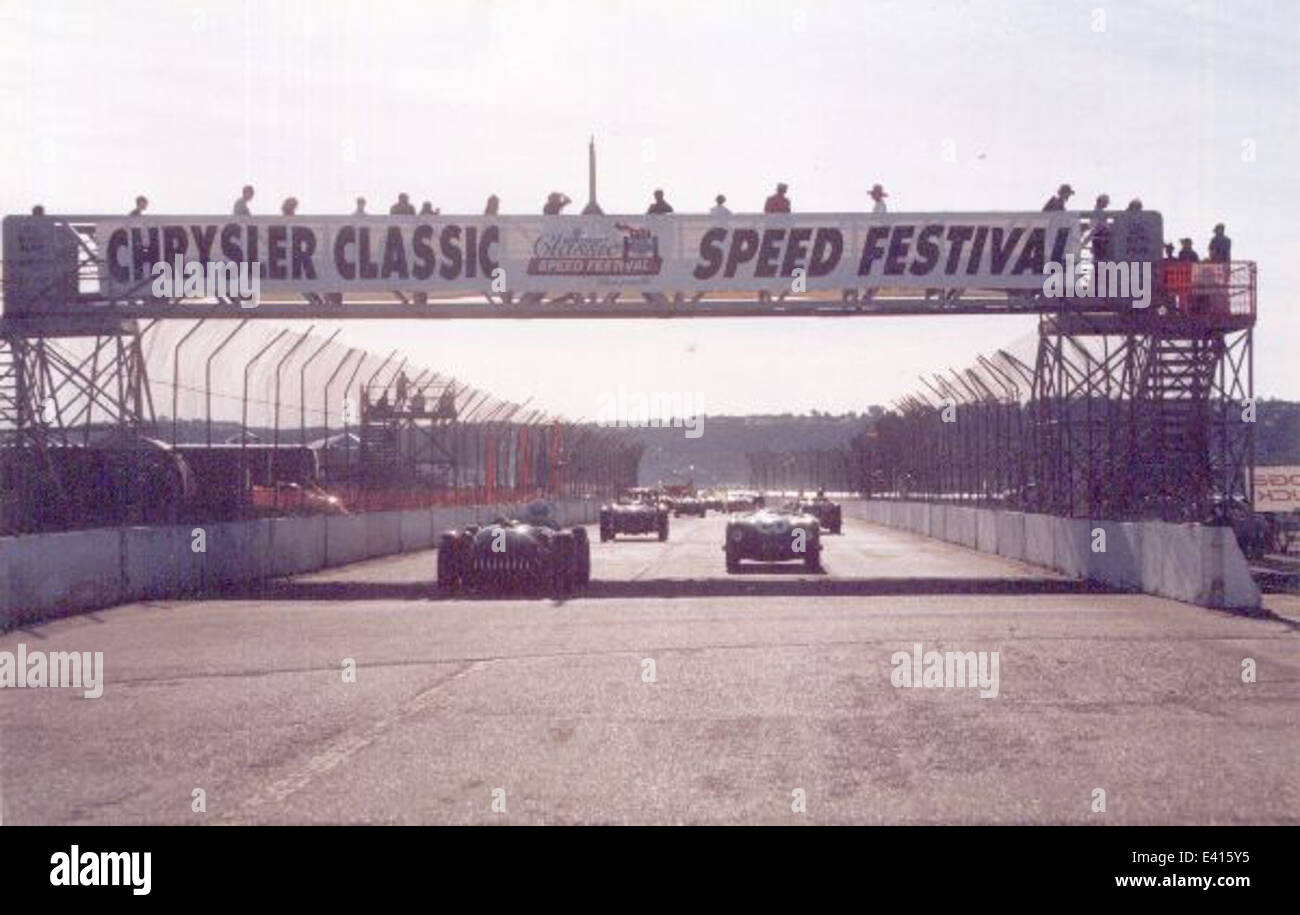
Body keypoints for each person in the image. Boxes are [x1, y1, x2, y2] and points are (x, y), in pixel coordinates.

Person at [1089, 194, 1111, 261]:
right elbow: (1096, 227)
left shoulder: (1098, 212)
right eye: (1106, 202)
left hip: (1099, 239)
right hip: (1100, 240)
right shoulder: (1098, 212)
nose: (1107, 204)